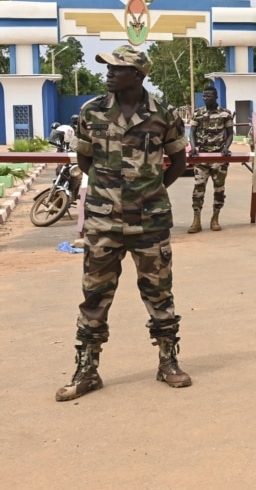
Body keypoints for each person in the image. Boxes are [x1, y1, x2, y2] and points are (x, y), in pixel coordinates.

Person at [56, 45, 192, 401]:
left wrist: (150, 192)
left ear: (138, 74)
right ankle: (87, 370)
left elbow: (178, 161)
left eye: (117, 68)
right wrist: (111, 193)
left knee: (159, 293)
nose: (109, 73)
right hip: (103, 222)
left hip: (150, 222)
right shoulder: (91, 112)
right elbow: (85, 161)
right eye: (108, 68)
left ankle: (168, 362)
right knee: (94, 296)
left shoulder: (163, 114)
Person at [188, 85, 234, 233]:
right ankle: (196, 221)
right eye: (204, 96)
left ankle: (215, 218)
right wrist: (193, 148)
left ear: (216, 97)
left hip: (219, 158)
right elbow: (192, 133)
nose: (206, 98)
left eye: (209, 96)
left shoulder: (225, 114)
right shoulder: (198, 114)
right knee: (198, 189)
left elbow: (230, 134)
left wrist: (226, 147)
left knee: (219, 190)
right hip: (201, 158)